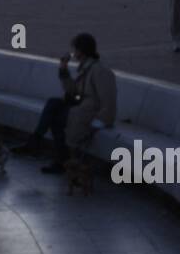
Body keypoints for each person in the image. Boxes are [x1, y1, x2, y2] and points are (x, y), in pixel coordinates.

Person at [13, 33, 117, 175]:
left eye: (75, 49)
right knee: (53, 104)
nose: (73, 53)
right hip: (80, 111)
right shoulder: (86, 68)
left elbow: (108, 100)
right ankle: (45, 149)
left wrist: (99, 121)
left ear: (81, 50)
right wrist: (63, 68)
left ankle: (42, 147)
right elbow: (73, 92)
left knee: (55, 116)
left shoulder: (99, 71)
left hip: (88, 115)